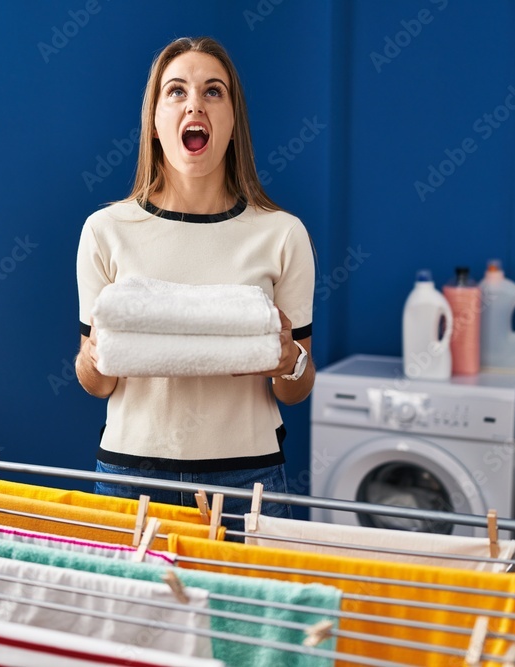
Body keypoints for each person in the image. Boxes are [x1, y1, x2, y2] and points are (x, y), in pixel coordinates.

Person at [75, 36, 315, 530]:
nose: (194, 104)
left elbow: (297, 390)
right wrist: (93, 355)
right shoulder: (105, 230)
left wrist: (290, 360)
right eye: (176, 91)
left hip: (247, 478)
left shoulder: (282, 234)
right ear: (157, 121)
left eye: (213, 92)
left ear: (232, 121)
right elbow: (97, 384)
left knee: (246, 610)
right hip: (130, 474)